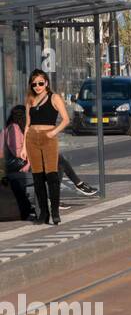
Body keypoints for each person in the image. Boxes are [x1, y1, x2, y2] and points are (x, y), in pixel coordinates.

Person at [24, 69, 69, 225]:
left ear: (46, 83)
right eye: (34, 83)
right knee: (37, 177)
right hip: (31, 138)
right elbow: (27, 124)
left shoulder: (54, 97)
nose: (37, 86)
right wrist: (23, 146)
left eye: (40, 83)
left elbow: (65, 119)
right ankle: (44, 213)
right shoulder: (30, 99)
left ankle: (55, 212)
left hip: (48, 137)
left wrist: (53, 132)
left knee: (51, 176)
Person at [3, 106, 35, 222]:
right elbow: (18, 152)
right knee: (58, 162)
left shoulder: (19, 128)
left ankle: (53, 198)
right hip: (15, 167)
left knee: (58, 160)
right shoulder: (14, 128)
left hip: (23, 163)